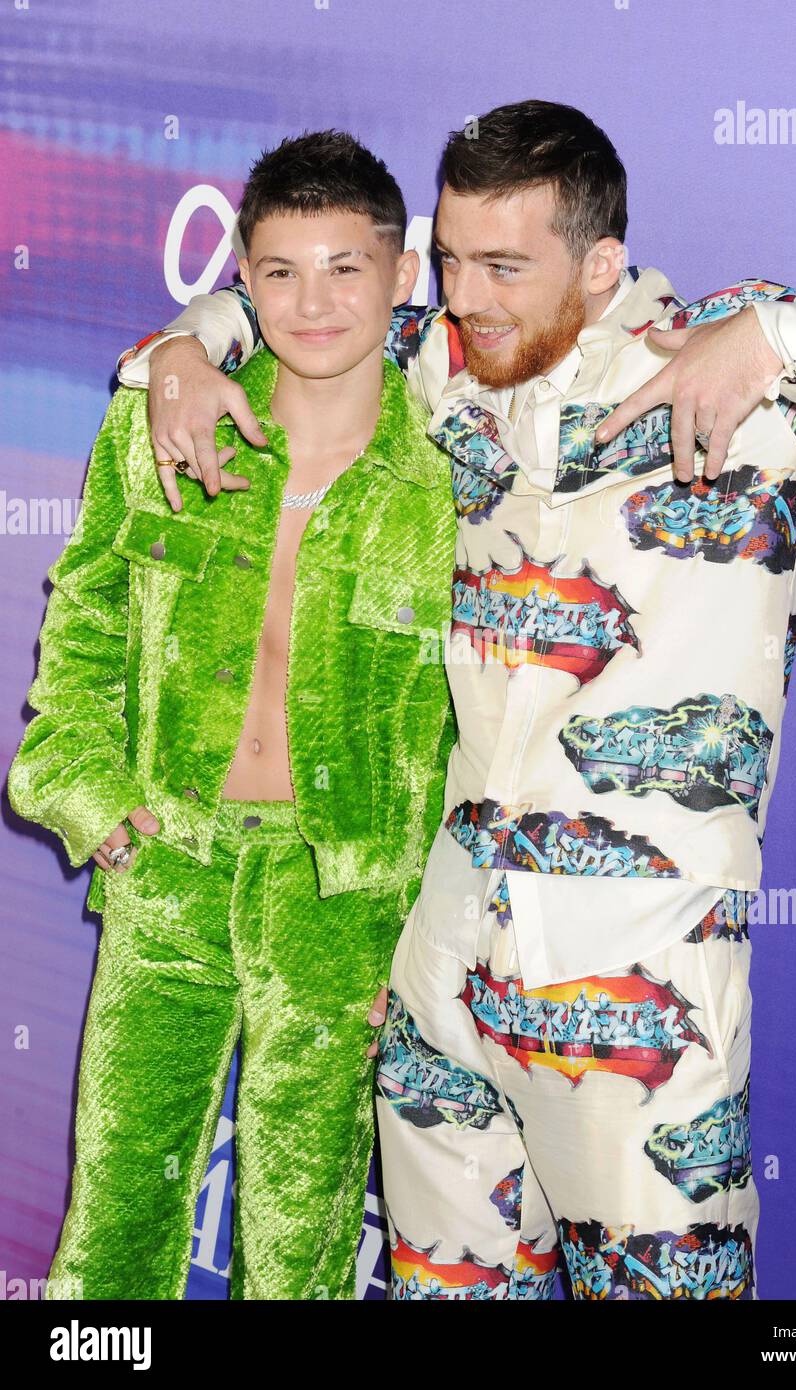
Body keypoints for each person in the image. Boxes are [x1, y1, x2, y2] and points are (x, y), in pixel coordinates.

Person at [113, 100, 796, 1300]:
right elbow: (291, 306)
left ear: (600, 261)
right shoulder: (441, 355)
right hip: (441, 966)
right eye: (450, 259)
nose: (469, 294)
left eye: (505, 266)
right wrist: (184, 352)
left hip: (638, 981)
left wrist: (781, 335)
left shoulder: (739, 365)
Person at [6, 130, 457, 1300]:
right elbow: (85, 626)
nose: (314, 302)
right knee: (113, 1218)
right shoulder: (162, 425)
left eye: (345, 268)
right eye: (281, 272)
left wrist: (408, 942)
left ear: (402, 275)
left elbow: (454, 734)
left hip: (338, 905)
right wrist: (91, 799)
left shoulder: (458, 480)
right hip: (169, 865)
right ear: (241, 283)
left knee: (298, 1240)